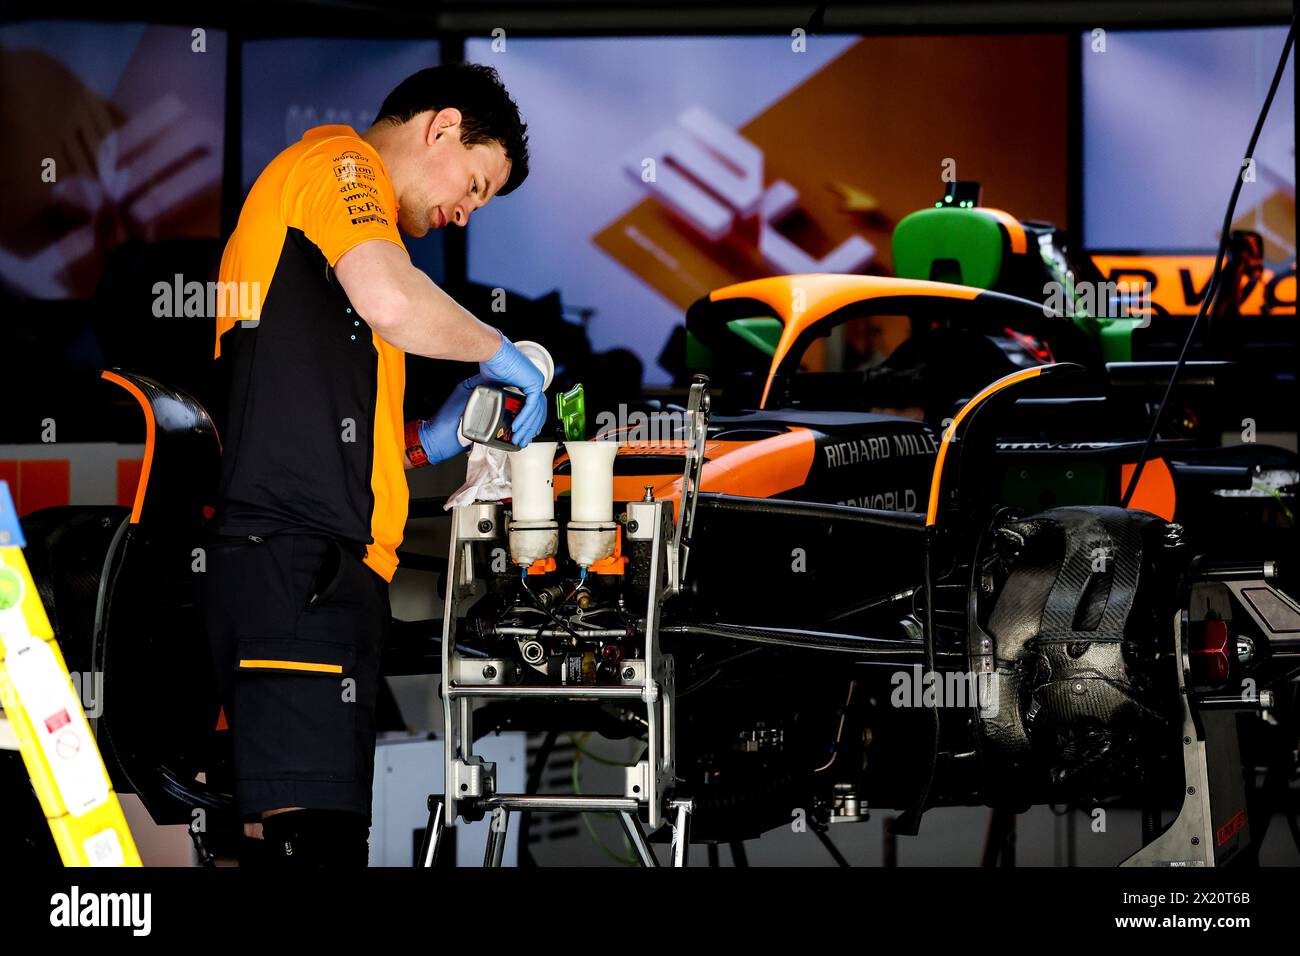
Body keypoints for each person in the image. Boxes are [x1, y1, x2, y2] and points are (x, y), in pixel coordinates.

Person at [201, 63, 543, 866]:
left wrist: (429, 439)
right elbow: (394, 300)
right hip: (296, 568)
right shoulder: (341, 165)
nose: (464, 213)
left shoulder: (340, 243)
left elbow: (333, 439)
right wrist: (503, 354)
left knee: (282, 846)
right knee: (312, 850)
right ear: (441, 127)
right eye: (476, 184)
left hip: (307, 572)